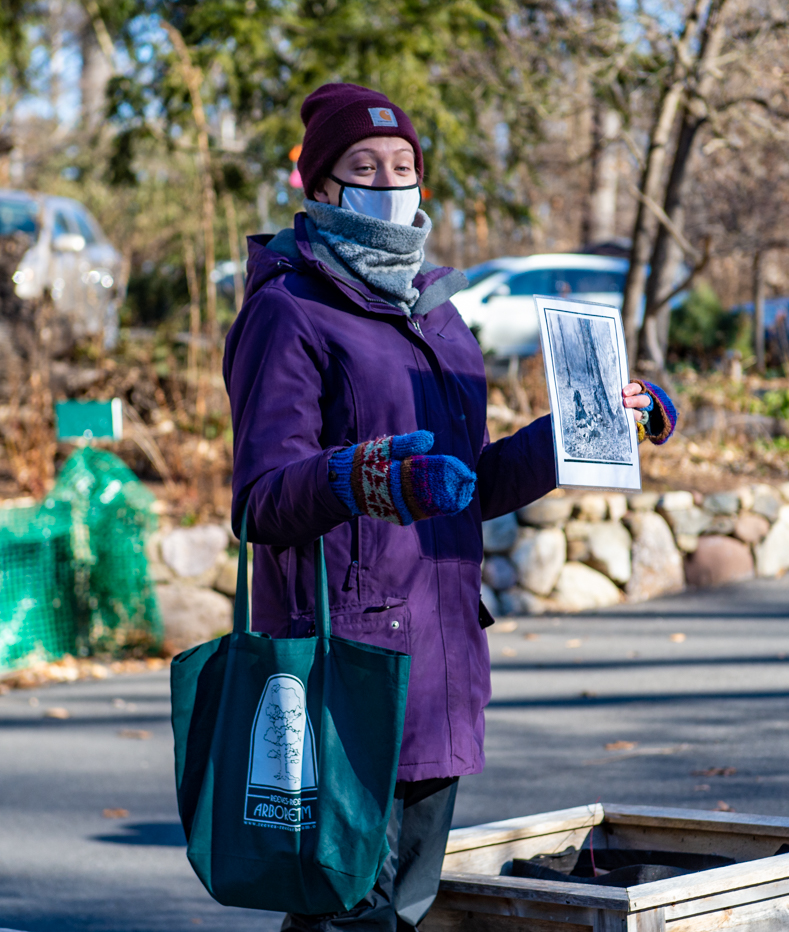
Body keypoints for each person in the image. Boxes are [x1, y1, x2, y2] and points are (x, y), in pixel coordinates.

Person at [223, 82, 676, 932]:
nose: (388, 180)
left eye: (403, 166)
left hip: (438, 665)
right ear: (320, 188)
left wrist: (588, 425)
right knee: (345, 913)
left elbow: (470, 484)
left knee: (400, 911)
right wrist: (371, 478)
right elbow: (261, 502)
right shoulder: (288, 312)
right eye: (363, 166)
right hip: (342, 669)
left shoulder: (436, 313)